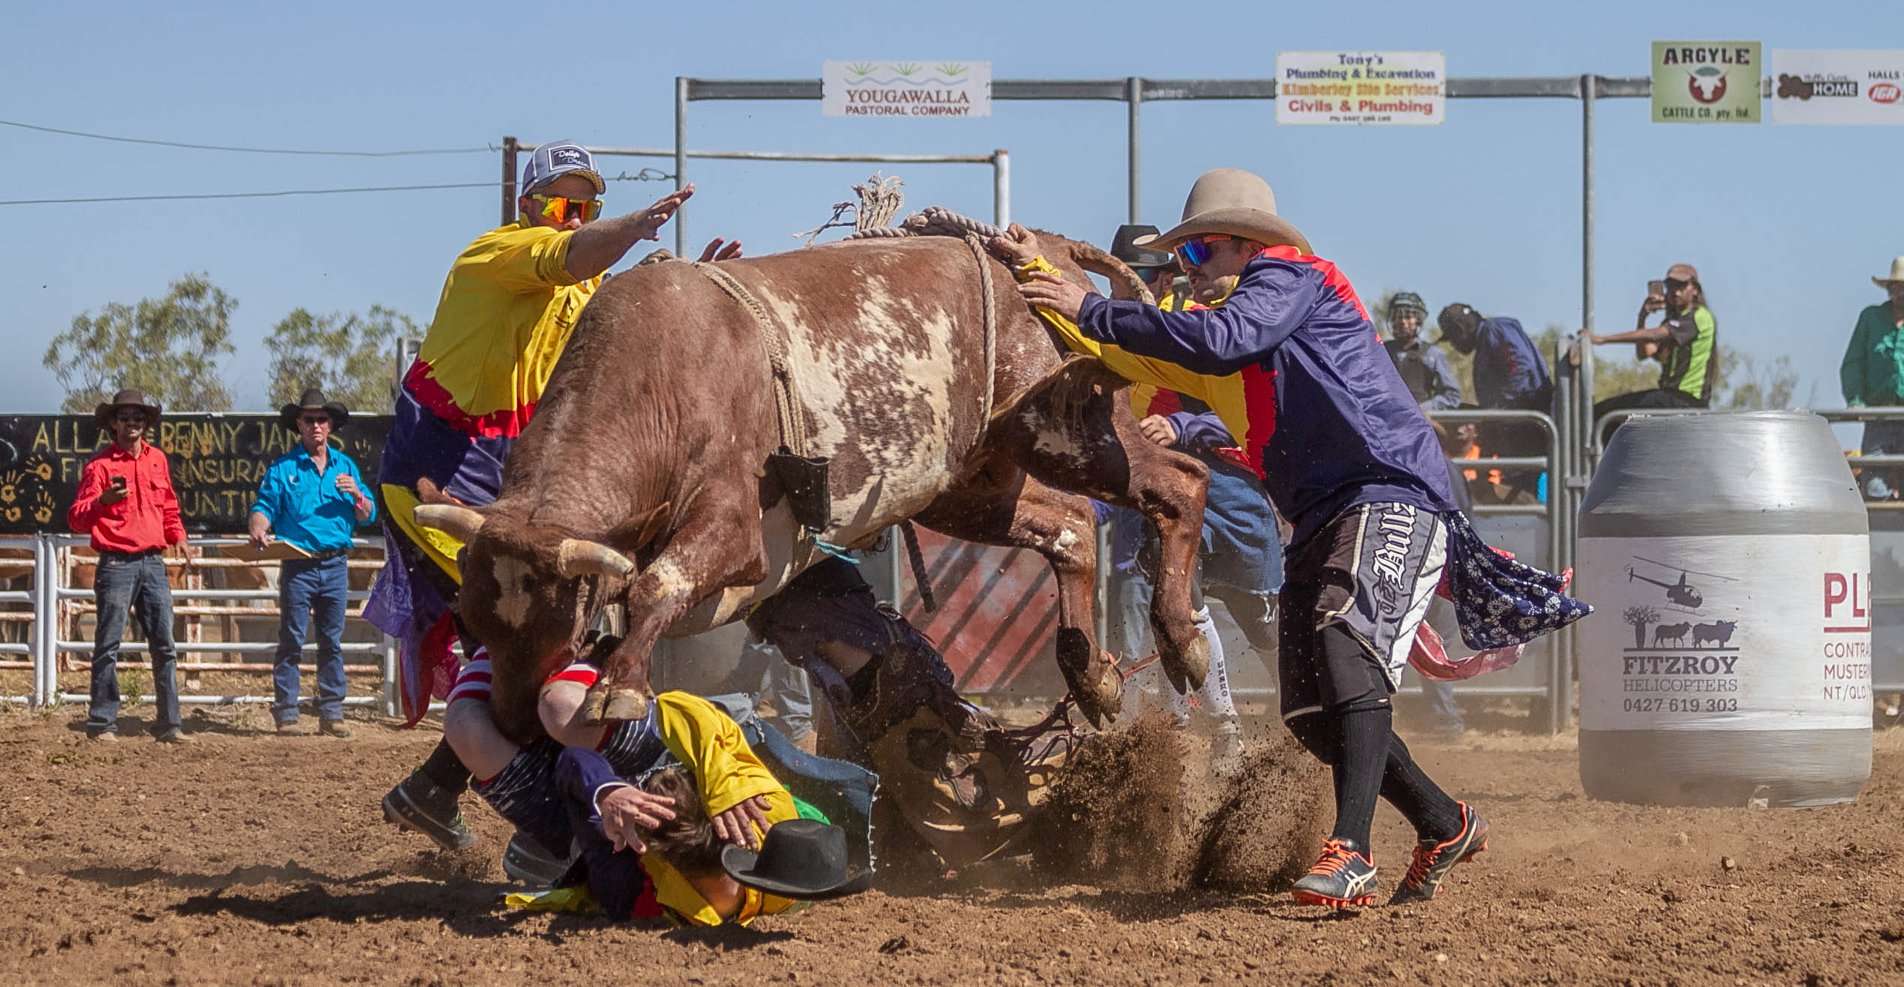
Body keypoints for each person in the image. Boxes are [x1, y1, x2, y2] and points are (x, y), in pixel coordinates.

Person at [1002, 167, 1588, 909]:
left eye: (1199, 253)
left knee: (1348, 645)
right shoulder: (1246, 332)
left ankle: (1353, 852)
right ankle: (1445, 821)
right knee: (1308, 712)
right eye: (1184, 259)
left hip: (1388, 489)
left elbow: (1217, 340)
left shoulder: (1291, 275)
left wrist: (1090, 303)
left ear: (1245, 245)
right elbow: (1129, 357)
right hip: (1322, 513)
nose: (1190, 271)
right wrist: (1035, 272)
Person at [372, 140, 729, 850]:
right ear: (528, 207)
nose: (574, 218)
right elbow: (570, 256)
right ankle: (548, 811)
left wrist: (688, 292)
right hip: (437, 469)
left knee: (531, 631)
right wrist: (629, 228)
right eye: (564, 204)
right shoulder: (498, 253)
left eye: (587, 206)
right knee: (525, 626)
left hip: (509, 473)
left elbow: (621, 317)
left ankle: (450, 788)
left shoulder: (580, 293)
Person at [437, 633, 874, 912]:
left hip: (586, 824)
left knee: (468, 729)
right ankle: (560, 645)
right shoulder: (768, 817)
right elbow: (695, 717)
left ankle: (497, 647)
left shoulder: (629, 891)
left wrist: (608, 792)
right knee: (557, 708)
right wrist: (724, 781)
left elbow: (575, 766)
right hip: (675, 760)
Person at [1102, 223, 1248, 762]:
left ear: (1161, 278)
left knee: (1249, 611)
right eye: (1114, 276)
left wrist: (1185, 426)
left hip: (1218, 487)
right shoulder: (1112, 332)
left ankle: (1221, 719)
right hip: (1146, 490)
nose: (1120, 286)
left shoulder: (1199, 326)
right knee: (1164, 599)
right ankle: (1191, 723)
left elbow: (1242, 407)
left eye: (1132, 275)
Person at [67, 388, 195, 744]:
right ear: (113, 423)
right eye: (125, 417)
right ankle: (103, 721)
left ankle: (170, 723)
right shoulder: (99, 467)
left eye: (138, 417)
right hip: (116, 562)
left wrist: (178, 535)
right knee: (108, 642)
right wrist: (102, 502)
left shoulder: (158, 461)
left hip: (154, 561)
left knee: (164, 644)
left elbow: (169, 505)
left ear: (145, 423)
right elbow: (76, 518)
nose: (132, 423)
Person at [248, 388, 376, 737]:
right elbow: (263, 507)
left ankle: (332, 712)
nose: (316, 425)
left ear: (330, 425)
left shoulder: (346, 466)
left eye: (322, 419)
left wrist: (358, 496)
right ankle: (287, 712)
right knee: (291, 637)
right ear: (299, 425)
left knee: (331, 640)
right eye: (309, 419)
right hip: (298, 564)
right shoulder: (283, 468)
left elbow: (368, 514)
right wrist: (258, 529)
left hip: (335, 564)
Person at [1435, 303, 1553, 502]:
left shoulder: (1494, 330)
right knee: (1518, 476)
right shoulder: (1489, 338)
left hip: (1524, 422)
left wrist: (1503, 410)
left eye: (1453, 338)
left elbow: (1520, 368)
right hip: (1516, 425)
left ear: (1460, 330)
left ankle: (1530, 522)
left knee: (1526, 479)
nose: (1454, 346)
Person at [1586, 263, 1719, 432]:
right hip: (1668, 399)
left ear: (1695, 290)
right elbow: (1644, 353)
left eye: (1681, 286)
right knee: (1607, 416)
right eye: (1670, 287)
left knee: (1607, 414)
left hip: (1685, 401)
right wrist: (1642, 317)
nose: (1675, 291)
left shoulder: (1699, 316)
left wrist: (1602, 339)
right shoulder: (1672, 322)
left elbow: (1655, 335)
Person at [1838, 257, 1904, 499]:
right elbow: (1853, 363)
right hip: (1879, 418)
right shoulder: (1871, 318)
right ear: (1889, 289)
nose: (1901, 292)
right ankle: (1879, 535)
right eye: (1897, 286)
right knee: (1875, 488)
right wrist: (1856, 400)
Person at [1383, 292, 1462, 413]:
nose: (1402, 322)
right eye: (1398, 317)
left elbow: (1452, 395)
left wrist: (1422, 410)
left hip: (1420, 424)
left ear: (1418, 320)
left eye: (1408, 317)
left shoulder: (1432, 354)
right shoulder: (1380, 351)